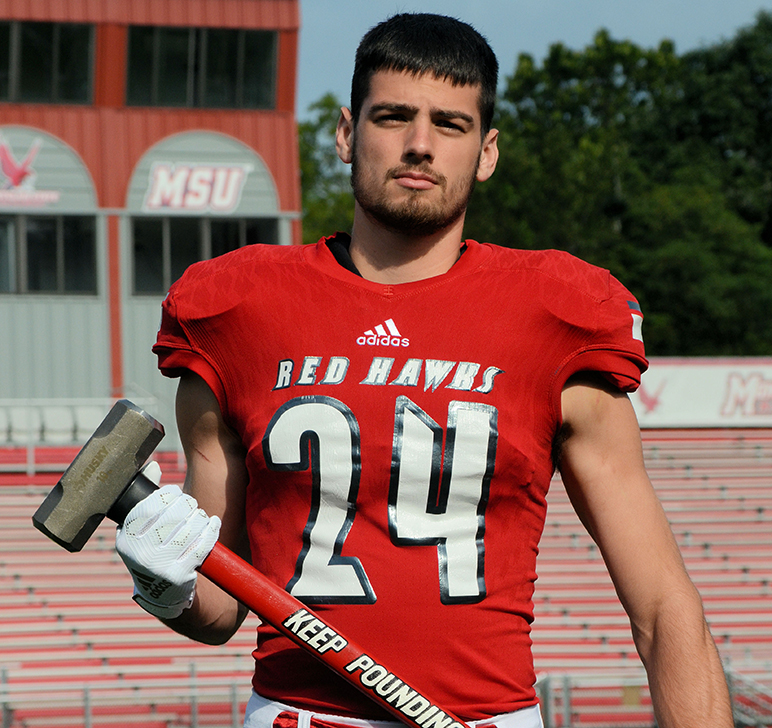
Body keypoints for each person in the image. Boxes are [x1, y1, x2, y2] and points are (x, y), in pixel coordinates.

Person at [115, 13, 733, 728]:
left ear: (487, 150)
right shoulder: (240, 308)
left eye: (450, 123)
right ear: (346, 133)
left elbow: (662, 604)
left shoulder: (556, 314)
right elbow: (221, 606)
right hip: (299, 716)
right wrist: (167, 585)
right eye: (393, 116)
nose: (419, 144)